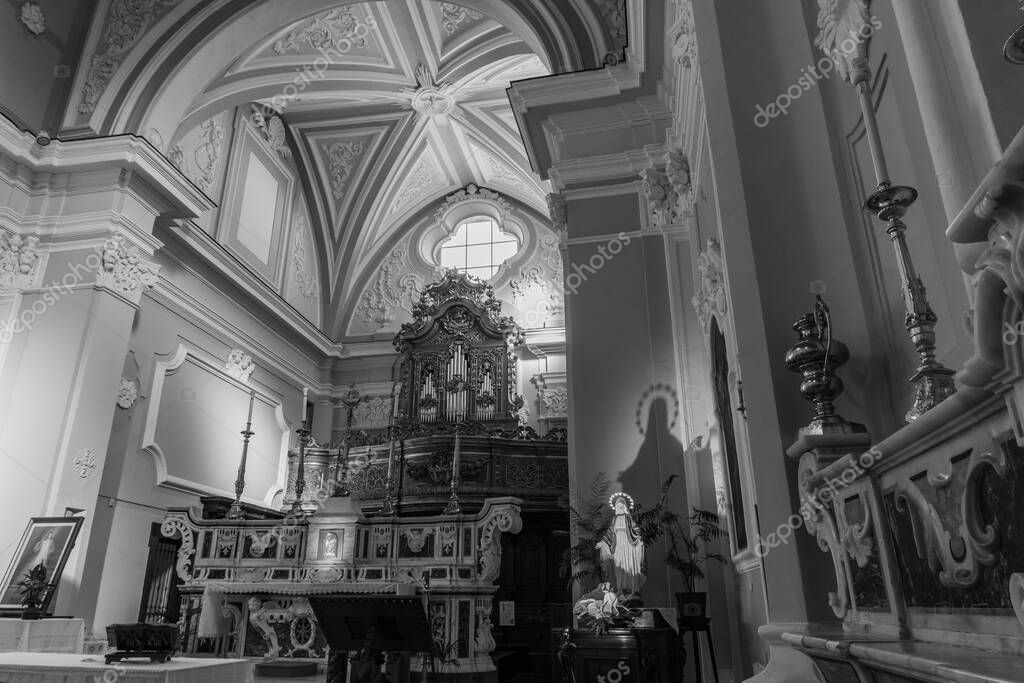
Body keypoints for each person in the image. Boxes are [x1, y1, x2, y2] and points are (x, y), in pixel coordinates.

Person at [596, 493, 645, 597]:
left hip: (628, 547)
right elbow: (610, 533)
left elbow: (635, 530)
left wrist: (639, 538)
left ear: (625, 506)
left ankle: (632, 590)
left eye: (621, 506)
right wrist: (602, 542)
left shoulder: (628, 519)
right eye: (618, 506)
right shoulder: (615, 519)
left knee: (629, 568)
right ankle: (620, 591)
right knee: (618, 568)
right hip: (618, 547)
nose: (620, 507)